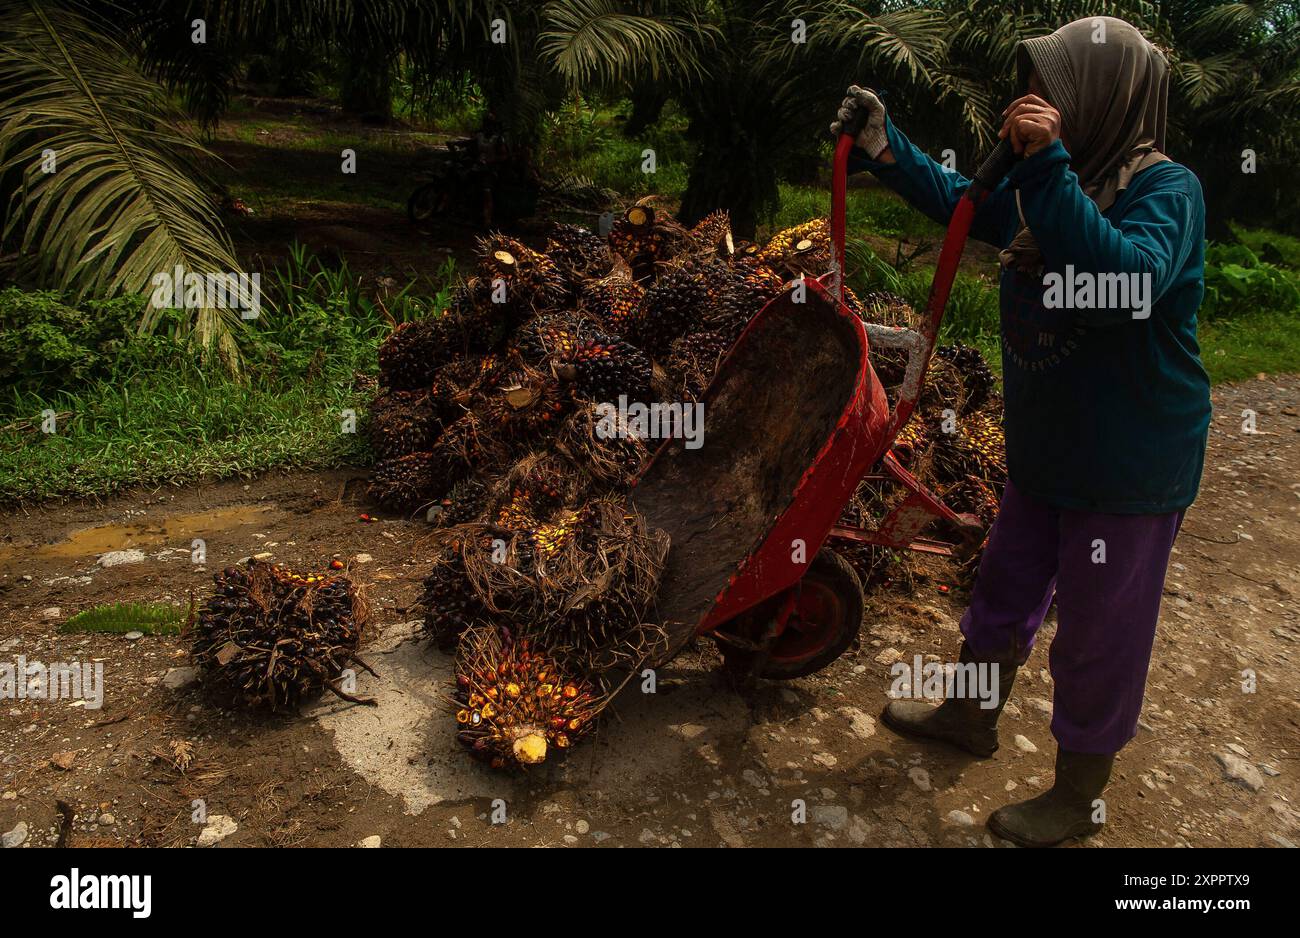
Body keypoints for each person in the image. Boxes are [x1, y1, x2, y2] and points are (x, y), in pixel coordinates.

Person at [831, 16, 1211, 847]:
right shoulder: (1054, 185)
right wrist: (888, 147)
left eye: (1054, 93)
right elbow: (967, 204)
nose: (1032, 108)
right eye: (1033, 93)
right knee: (1002, 588)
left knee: (1099, 632)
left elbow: (1127, 283)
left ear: (1104, 98)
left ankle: (1078, 797)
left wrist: (1049, 168)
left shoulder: (1165, 191)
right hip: (1047, 448)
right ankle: (970, 715)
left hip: (1129, 464)